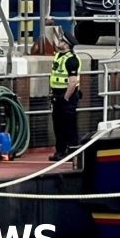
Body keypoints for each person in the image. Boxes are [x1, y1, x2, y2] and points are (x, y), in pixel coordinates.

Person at [49, 31, 81, 161]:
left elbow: (73, 81)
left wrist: (66, 97)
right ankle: (60, 151)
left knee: (69, 125)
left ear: (67, 45)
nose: (59, 42)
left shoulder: (72, 60)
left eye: (62, 41)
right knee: (58, 125)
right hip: (57, 94)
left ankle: (72, 152)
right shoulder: (58, 56)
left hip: (66, 96)